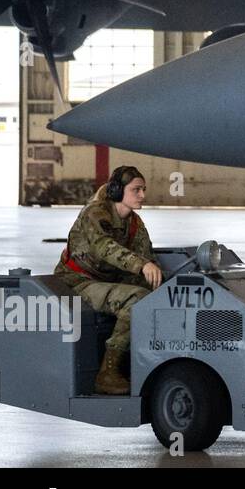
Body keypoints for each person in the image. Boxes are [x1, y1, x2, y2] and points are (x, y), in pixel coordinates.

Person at [55, 165, 160, 395]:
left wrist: (155, 274)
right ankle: (107, 373)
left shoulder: (134, 223)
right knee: (136, 299)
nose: (142, 195)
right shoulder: (95, 213)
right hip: (77, 282)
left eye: (143, 189)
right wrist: (141, 265)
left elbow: (146, 255)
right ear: (116, 190)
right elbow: (104, 247)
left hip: (103, 281)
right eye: (136, 190)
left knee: (152, 294)